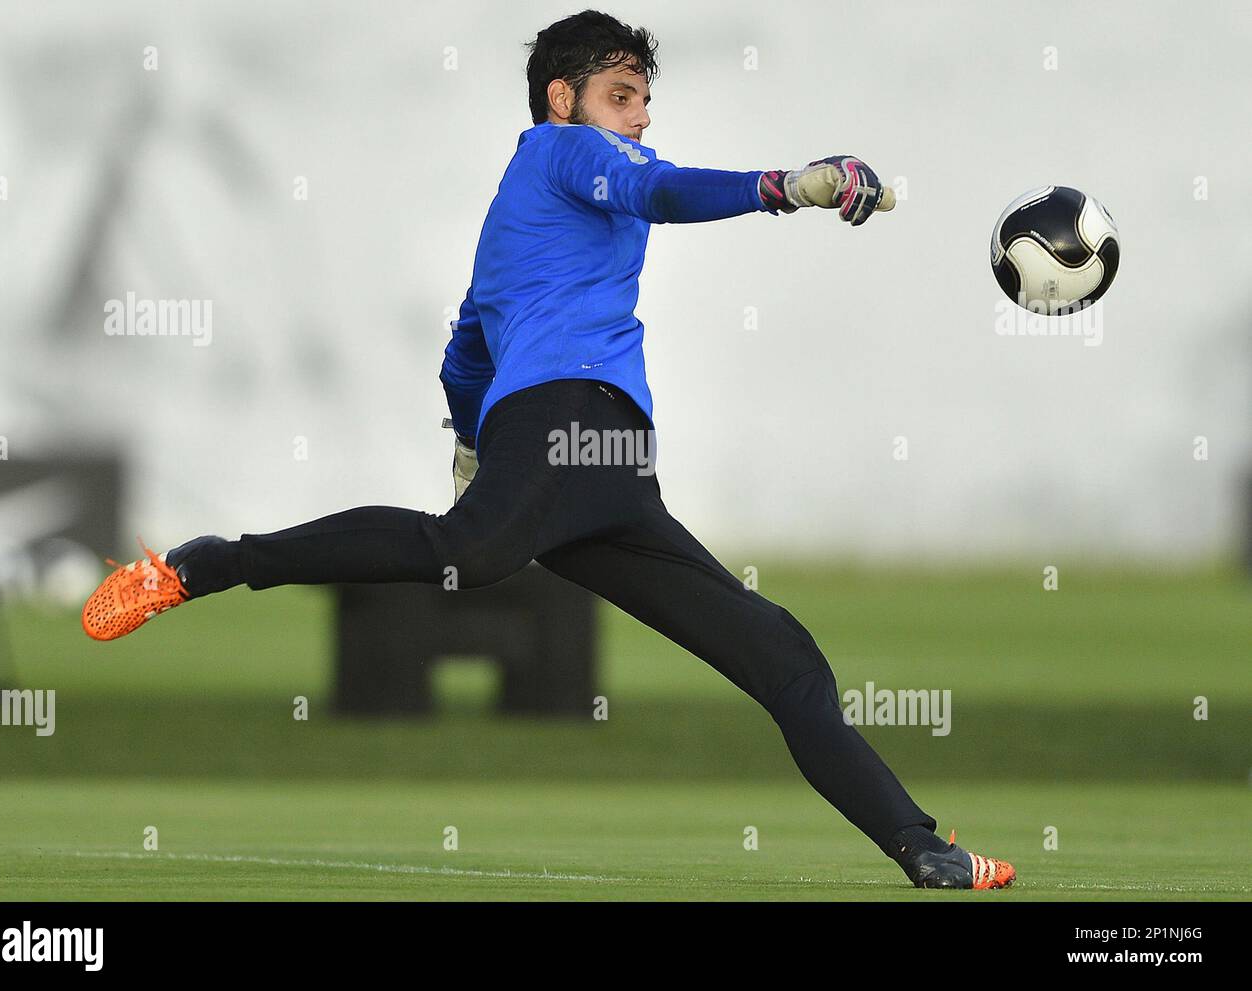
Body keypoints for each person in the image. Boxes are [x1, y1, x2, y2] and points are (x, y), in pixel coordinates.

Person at [82, 9, 1014, 891]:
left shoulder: (525, 216)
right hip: (566, 424)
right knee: (468, 555)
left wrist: (469, 440)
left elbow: (466, 352)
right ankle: (207, 565)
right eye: (622, 96)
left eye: (646, 102)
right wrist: (785, 186)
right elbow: (659, 187)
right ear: (562, 99)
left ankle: (921, 846)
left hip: (610, 473)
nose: (640, 119)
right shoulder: (563, 151)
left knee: (780, 652)